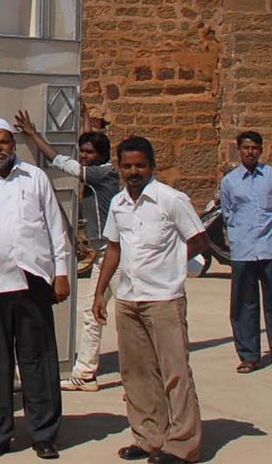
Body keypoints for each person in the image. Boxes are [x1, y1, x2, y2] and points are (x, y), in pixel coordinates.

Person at [0, 120, 69, 461]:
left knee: (38, 360)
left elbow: (54, 226)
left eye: (5, 141)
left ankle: (43, 433)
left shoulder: (34, 178)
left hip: (32, 280)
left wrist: (60, 272)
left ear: (13, 144)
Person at [92, 136, 206, 464]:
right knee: (137, 373)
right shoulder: (118, 204)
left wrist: (172, 266)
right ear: (119, 168)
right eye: (127, 166)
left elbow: (198, 240)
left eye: (140, 165)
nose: (133, 171)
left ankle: (184, 445)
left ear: (152, 166)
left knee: (174, 373)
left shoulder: (171, 200)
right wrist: (101, 292)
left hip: (164, 299)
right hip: (128, 299)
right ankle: (148, 437)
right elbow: (113, 248)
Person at [14, 110, 120, 391]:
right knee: (94, 312)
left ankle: (96, 372)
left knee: (121, 312)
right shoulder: (102, 170)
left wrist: (34, 133)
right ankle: (85, 372)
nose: (83, 156)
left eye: (88, 152)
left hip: (114, 254)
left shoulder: (103, 174)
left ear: (101, 155)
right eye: (82, 151)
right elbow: (81, 147)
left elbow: (61, 162)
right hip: (103, 252)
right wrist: (82, 117)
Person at [218, 130, 272, 375]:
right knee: (244, 305)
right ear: (238, 150)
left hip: (270, 248)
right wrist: (239, 237)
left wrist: (271, 234)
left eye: (254, 148)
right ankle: (249, 355)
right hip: (243, 250)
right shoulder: (230, 181)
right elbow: (228, 213)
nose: (250, 152)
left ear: (261, 150)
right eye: (245, 148)